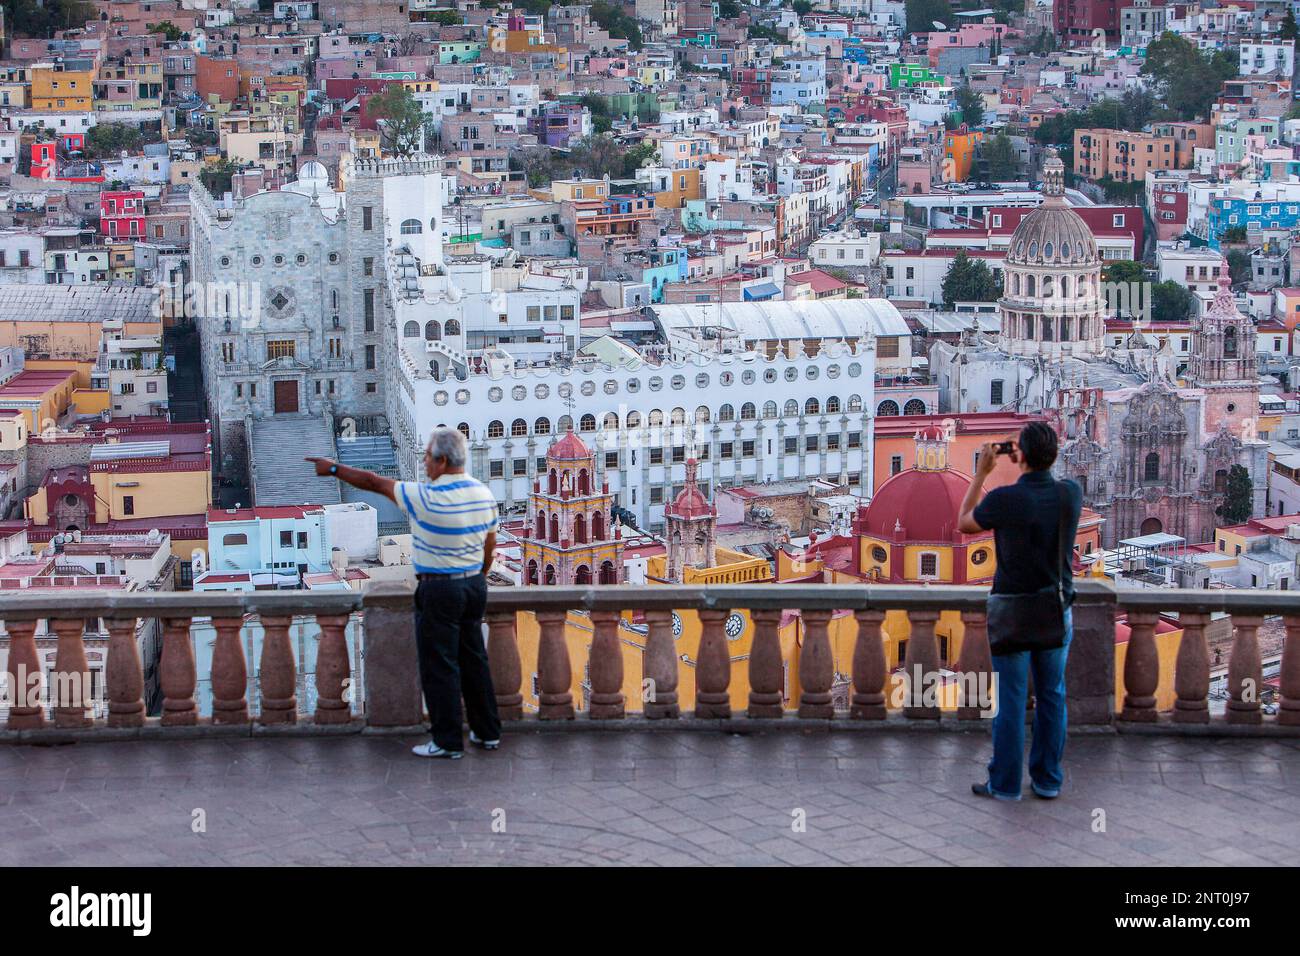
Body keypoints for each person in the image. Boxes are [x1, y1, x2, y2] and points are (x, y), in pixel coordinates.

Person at [307, 426, 502, 760]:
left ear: (441, 461)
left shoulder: (424, 496)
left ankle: (447, 741)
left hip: (439, 588)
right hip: (473, 586)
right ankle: (488, 733)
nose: (424, 461)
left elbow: (372, 482)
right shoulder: (483, 493)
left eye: (427, 456)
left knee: (440, 665)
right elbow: (489, 545)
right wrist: (476, 577)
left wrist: (333, 469)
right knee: (475, 661)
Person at [957, 422, 1082, 801]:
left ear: (1020, 456)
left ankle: (1006, 784)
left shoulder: (1005, 500)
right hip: (1054, 607)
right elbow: (1050, 483)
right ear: (1054, 456)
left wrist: (981, 474)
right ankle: (1047, 780)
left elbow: (963, 522)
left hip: (1012, 609)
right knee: (1051, 696)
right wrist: (1032, 456)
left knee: (1010, 700)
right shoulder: (1069, 495)